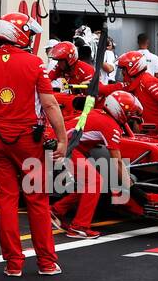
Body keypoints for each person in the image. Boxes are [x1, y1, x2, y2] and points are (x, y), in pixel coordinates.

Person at [0, 12, 66, 276]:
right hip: (29, 143)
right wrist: (63, 137)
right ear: (18, 33)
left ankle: (13, 264)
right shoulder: (35, 64)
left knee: (7, 202)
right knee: (37, 201)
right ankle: (46, 262)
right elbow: (49, 104)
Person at [50, 91, 129, 239]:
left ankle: (56, 209)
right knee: (95, 181)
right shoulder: (111, 126)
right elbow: (117, 161)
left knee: (88, 184)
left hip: (65, 142)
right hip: (64, 144)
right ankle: (79, 227)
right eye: (130, 114)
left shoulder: (100, 113)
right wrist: (128, 183)